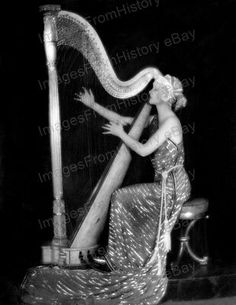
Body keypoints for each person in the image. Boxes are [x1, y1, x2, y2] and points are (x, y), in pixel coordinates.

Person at [21, 75, 191, 305]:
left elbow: (142, 150)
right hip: (161, 184)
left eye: (154, 89)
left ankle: (119, 259)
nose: (149, 92)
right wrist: (93, 106)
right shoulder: (154, 119)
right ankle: (120, 259)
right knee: (121, 198)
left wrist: (121, 134)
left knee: (121, 197)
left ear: (163, 96)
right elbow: (120, 118)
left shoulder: (170, 122)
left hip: (172, 187)